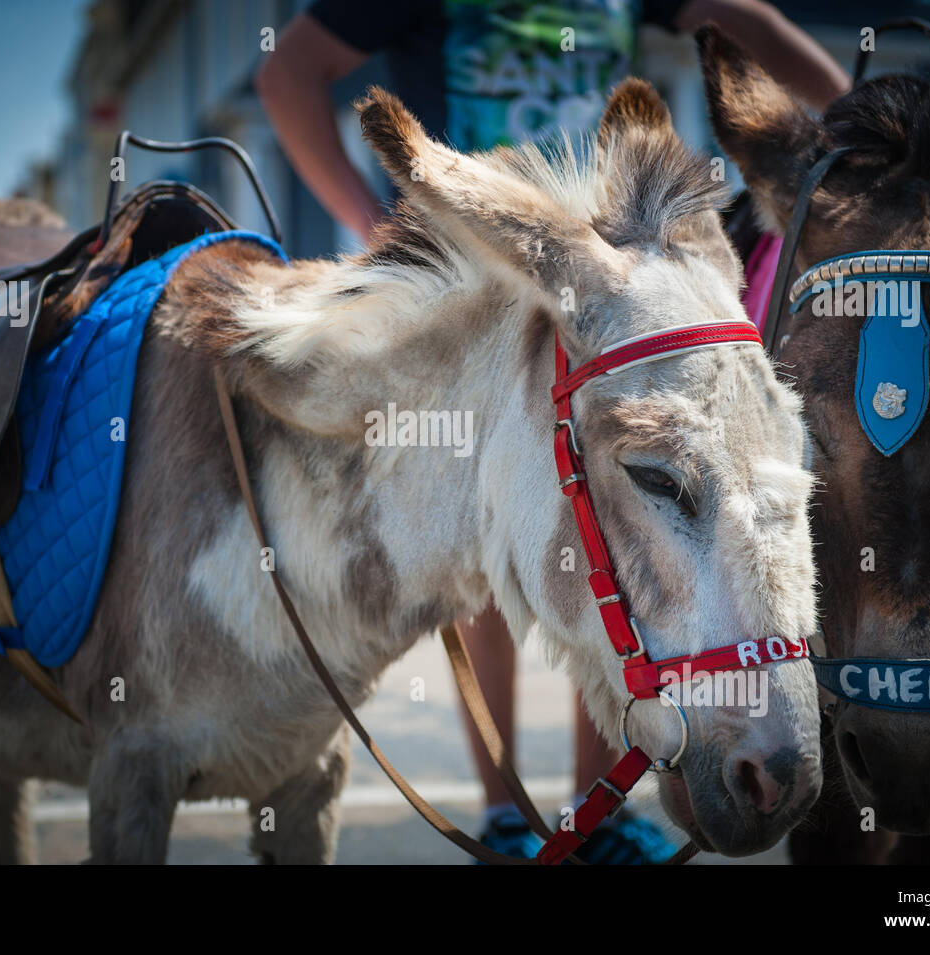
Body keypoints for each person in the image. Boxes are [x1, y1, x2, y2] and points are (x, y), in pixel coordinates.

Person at [256, 0, 849, 863]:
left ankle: (600, 810)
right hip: (480, 293)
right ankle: (504, 813)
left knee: (612, 525)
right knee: (491, 542)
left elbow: (749, 21)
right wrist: (374, 227)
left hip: (607, 292)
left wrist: (854, 133)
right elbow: (286, 75)